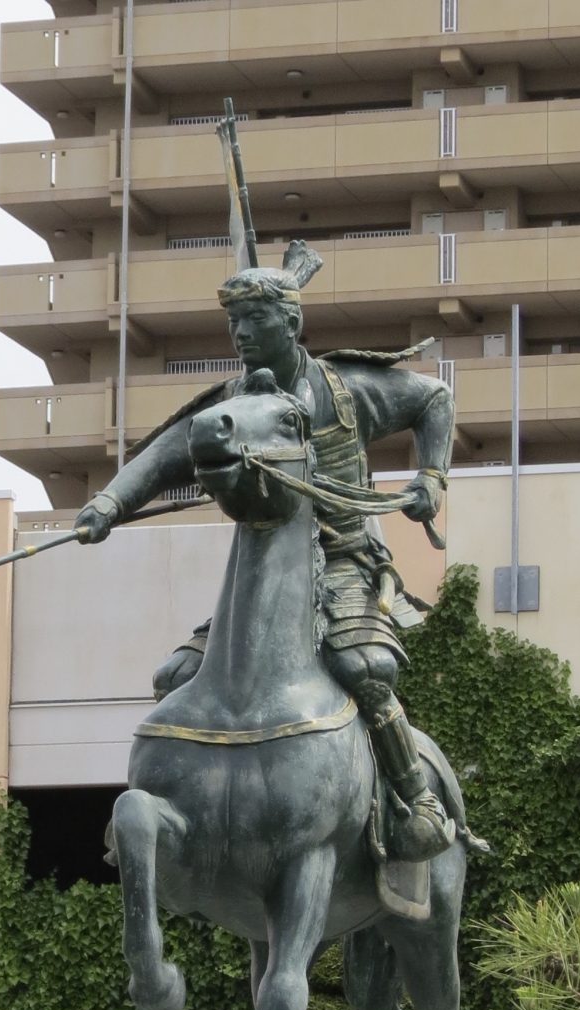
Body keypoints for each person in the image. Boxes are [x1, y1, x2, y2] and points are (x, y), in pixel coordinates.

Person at [75, 243, 455, 861]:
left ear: (291, 321)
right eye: (234, 321)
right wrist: (110, 502)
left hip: (344, 559)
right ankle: (174, 808)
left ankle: (417, 798)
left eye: (255, 319)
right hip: (265, 569)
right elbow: (167, 453)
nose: (242, 333)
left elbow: (434, 398)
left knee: (364, 667)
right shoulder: (232, 404)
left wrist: (431, 477)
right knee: (176, 676)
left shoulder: (345, 388)